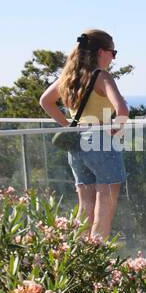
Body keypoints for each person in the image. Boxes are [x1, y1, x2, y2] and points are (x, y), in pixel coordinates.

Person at [39, 29, 128, 239]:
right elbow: (122, 110)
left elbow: (45, 101)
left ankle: (77, 255)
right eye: (113, 52)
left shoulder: (71, 77)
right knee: (105, 208)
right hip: (101, 141)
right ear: (101, 52)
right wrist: (114, 131)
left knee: (85, 206)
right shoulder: (101, 76)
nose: (113, 58)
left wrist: (68, 126)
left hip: (77, 142)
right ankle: (97, 258)